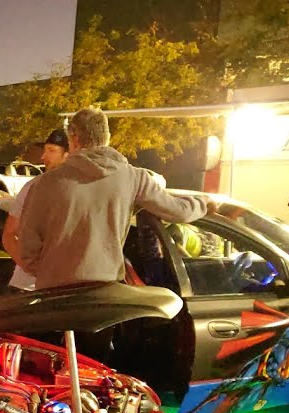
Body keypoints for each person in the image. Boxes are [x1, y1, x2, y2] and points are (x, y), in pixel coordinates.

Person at [17, 107, 214, 291]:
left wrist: (50, 273)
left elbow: (27, 247)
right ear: (107, 137)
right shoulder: (134, 178)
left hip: (54, 295)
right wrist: (203, 202)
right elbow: (177, 210)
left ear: (73, 138)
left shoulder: (45, 184)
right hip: (106, 296)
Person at [1, 128, 70, 292]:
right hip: (26, 289)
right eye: (45, 150)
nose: (43, 156)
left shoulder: (80, 189)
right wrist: (31, 269)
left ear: (69, 154)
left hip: (61, 290)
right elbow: (9, 235)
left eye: (51, 151)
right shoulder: (33, 187)